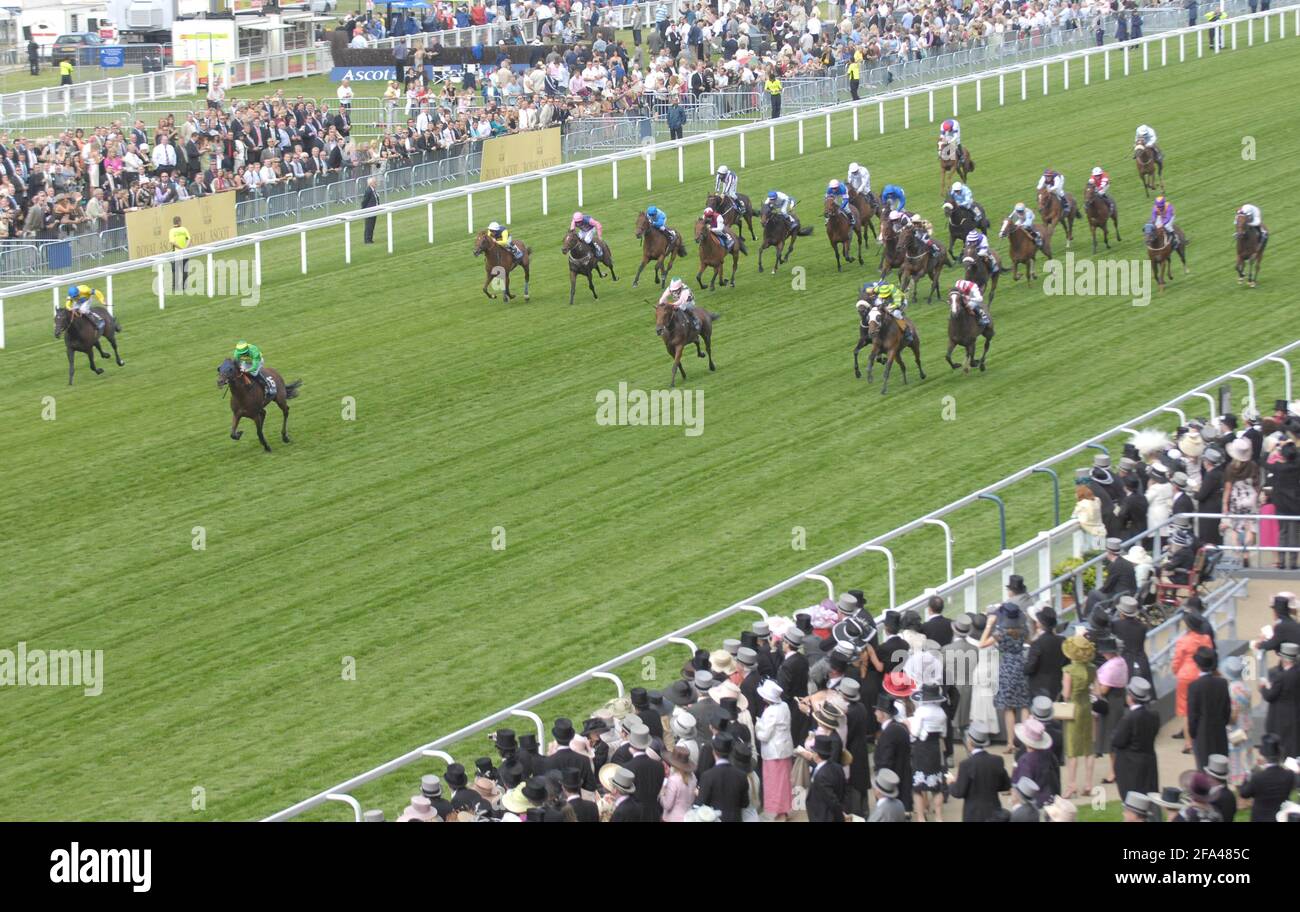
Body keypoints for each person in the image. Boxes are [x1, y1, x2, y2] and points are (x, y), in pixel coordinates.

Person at [982, 606, 1029, 756]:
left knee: (1008, 707)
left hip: (1007, 665)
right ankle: (1028, 740)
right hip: (1021, 664)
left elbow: (982, 644)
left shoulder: (1000, 632)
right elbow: (1031, 641)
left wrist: (989, 624)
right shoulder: (1024, 630)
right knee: (1024, 704)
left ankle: (1010, 742)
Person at [1111, 676, 1160, 801]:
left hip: (1130, 766)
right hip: (1149, 761)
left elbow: (1118, 741)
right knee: (1149, 799)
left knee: (1133, 802)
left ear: (1130, 697)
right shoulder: (1154, 715)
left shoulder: (1129, 718)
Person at [950, 724, 1010, 821]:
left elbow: (958, 792)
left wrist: (951, 783)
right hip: (994, 812)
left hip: (973, 814)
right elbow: (1005, 785)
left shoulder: (966, 765)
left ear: (969, 741)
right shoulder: (997, 760)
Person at [1061, 634, 1096, 798]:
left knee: (1072, 748)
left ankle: (1071, 784)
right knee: (1088, 747)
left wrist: (1064, 692)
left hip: (1074, 708)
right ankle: (1088, 784)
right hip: (1086, 706)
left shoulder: (1069, 671)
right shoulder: (1092, 668)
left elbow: (1066, 694)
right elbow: (1097, 690)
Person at [1173, 613, 1215, 750]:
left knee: (1186, 710)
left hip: (1185, 675)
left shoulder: (1183, 641)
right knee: (1202, 707)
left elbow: (1177, 661)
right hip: (1201, 674)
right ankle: (1202, 738)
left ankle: (1189, 742)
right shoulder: (1206, 639)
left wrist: (1176, 671)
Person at [753, 679, 793, 820]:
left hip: (773, 752)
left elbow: (764, 736)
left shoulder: (770, 712)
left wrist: (758, 726)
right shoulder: (785, 706)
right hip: (785, 749)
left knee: (774, 784)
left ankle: (779, 811)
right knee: (784, 781)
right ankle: (785, 809)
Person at [907, 684, 948, 821]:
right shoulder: (941, 713)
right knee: (936, 785)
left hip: (922, 749)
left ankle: (920, 817)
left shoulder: (921, 711)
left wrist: (908, 726)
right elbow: (944, 733)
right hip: (935, 748)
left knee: (918, 786)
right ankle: (939, 816)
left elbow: (914, 733)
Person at [1187, 646, 1230, 770]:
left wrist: (1193, 734)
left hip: (1202, 733)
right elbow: (1226, 710)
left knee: (1204, 769)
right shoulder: (1222, 683)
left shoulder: (1194, 686)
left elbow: (1192, 715)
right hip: (1219, 732)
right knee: (1220, 768)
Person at [1239, 733, 1297, 821]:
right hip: (1281, 818)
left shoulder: (1257, 777)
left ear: (1263, 756)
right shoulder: (1289, 775)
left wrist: (1248, 772)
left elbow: (1244, 793)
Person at [1261, 642, 1300, 757]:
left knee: (1283, 748)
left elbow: (1270, 695)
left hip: (1281, 717)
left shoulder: (1281, 677)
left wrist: (1263, 687)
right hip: (1296, 713)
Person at [806, 733, 847, 822]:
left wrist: (841, 817)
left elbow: (832, 800)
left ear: (816, 755)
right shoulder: (837, 767)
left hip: (824, 817)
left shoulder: (821, 776)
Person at [361, 178, 379, 244]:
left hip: (374, 210)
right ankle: (367, 240)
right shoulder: (368, 190)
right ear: (371, 183)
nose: (376, 183)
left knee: (372, 225)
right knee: (369, 225)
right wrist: (364, 210)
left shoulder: (373, 190)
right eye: (374, 182)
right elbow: (364, 201)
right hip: (369, 211)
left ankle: (370, 239)